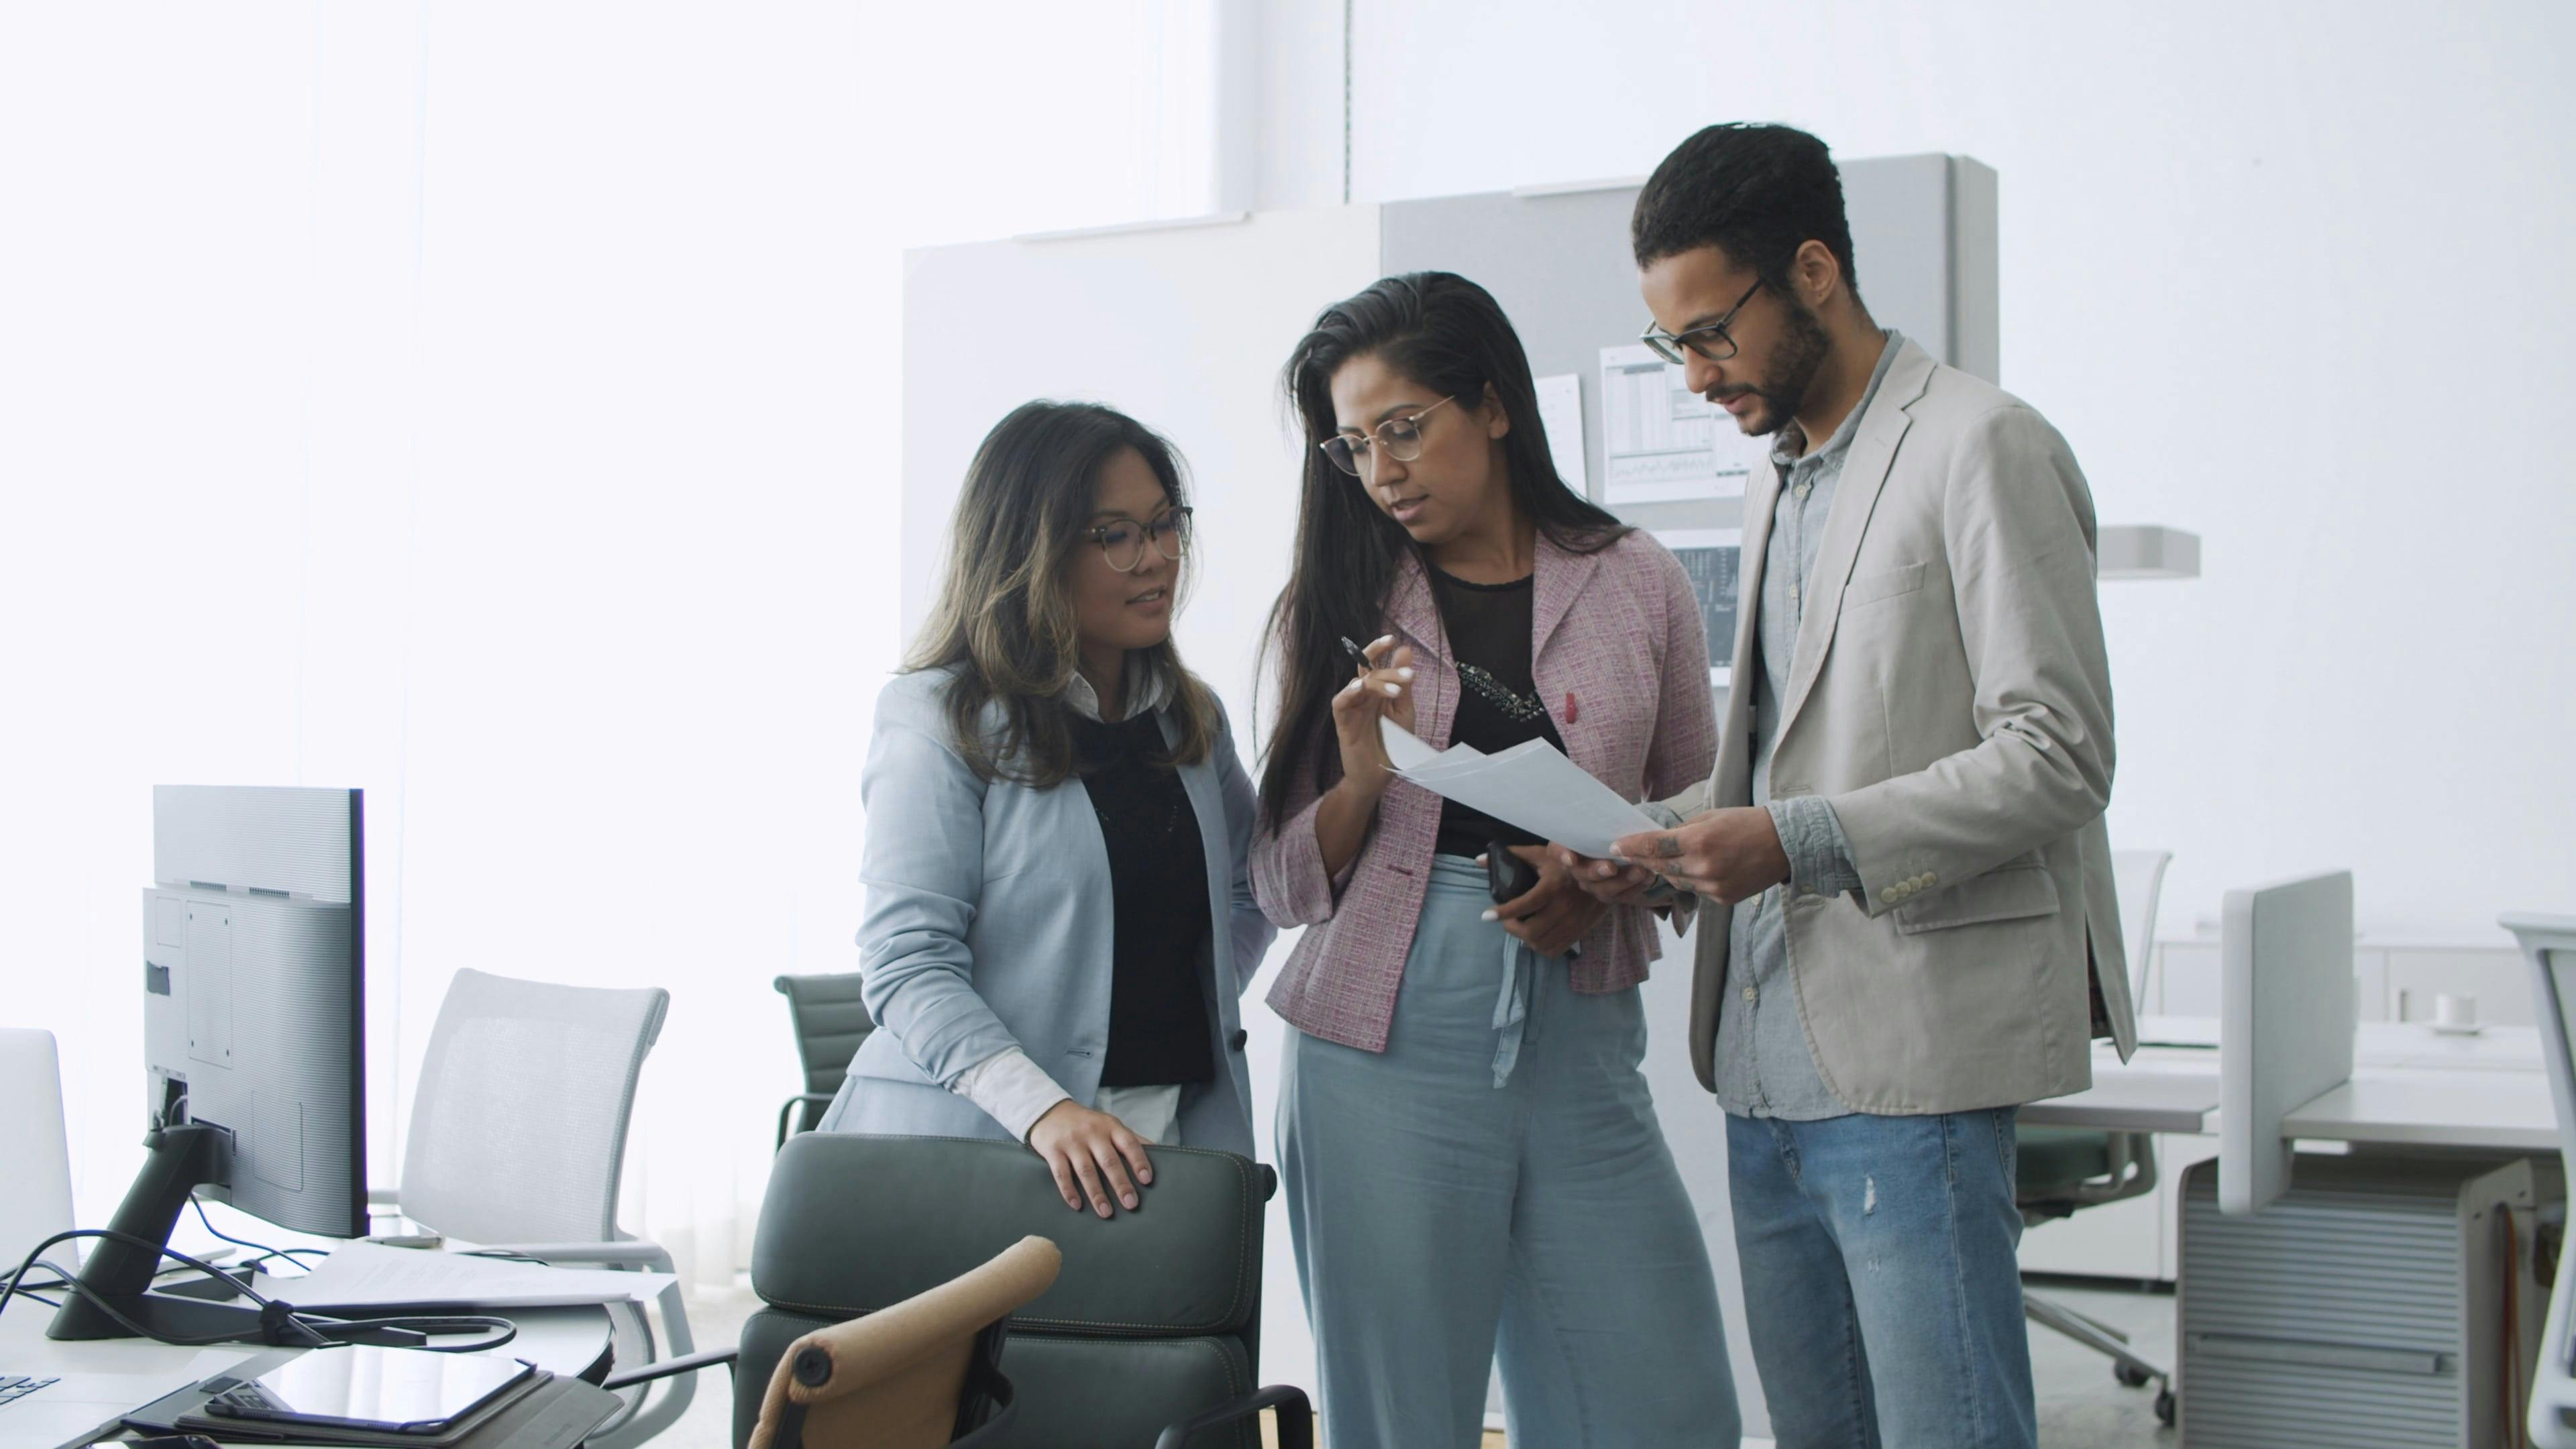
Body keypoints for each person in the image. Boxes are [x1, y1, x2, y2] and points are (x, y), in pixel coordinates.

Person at [1564, 123, 2139, 1448]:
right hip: (1760, 1060)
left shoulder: (1982, 444)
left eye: (1710, 334)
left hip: (1908, 1062)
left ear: (1813, 271)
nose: (1696, 375)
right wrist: (1647, 839)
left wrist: (1798, 840)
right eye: (1674, 344)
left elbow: (2060, 751)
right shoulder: (1783, 482)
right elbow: (1783, 759)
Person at [1252, 271, 1739, 1448]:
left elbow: (1702, 808)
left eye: (1405, 430)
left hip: (1580, 1031)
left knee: (1665, 1410)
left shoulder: (1638, 579)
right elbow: (1278, 882)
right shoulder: (1335, 600)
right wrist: (1366, 772)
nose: (1383, 473)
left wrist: (1626, 870)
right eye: (1355, 446)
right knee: (1404, 1415)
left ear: (1496, 406)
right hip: (1386, 1034)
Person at [820, 400, 1275, 1220]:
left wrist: (1190, 996)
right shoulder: (937, 717)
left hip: (1168, 1136)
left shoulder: (1189, 718)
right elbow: (907, 961)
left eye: (1166, 524)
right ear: (1032, 549)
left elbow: (1255, 888)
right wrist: (1044, 1108)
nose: (1157, 558)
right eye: (1116, 535)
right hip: (977, 1149)